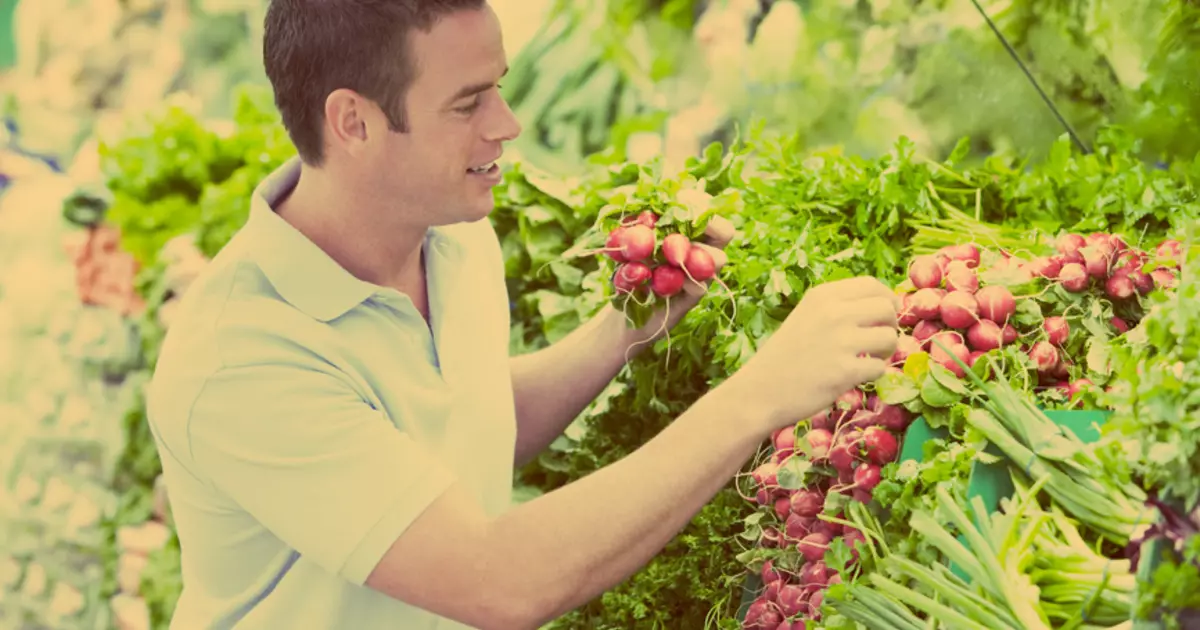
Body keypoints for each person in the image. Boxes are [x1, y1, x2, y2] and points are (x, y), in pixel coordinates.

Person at [143, 1, 901, 629]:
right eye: (468, 103)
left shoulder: (455, 237)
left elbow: (465, 422)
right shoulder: (243, 359)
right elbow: (498, 582)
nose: (506, 123)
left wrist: (623, 332)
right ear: (353, 123)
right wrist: (761, 396)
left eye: (497, 88)